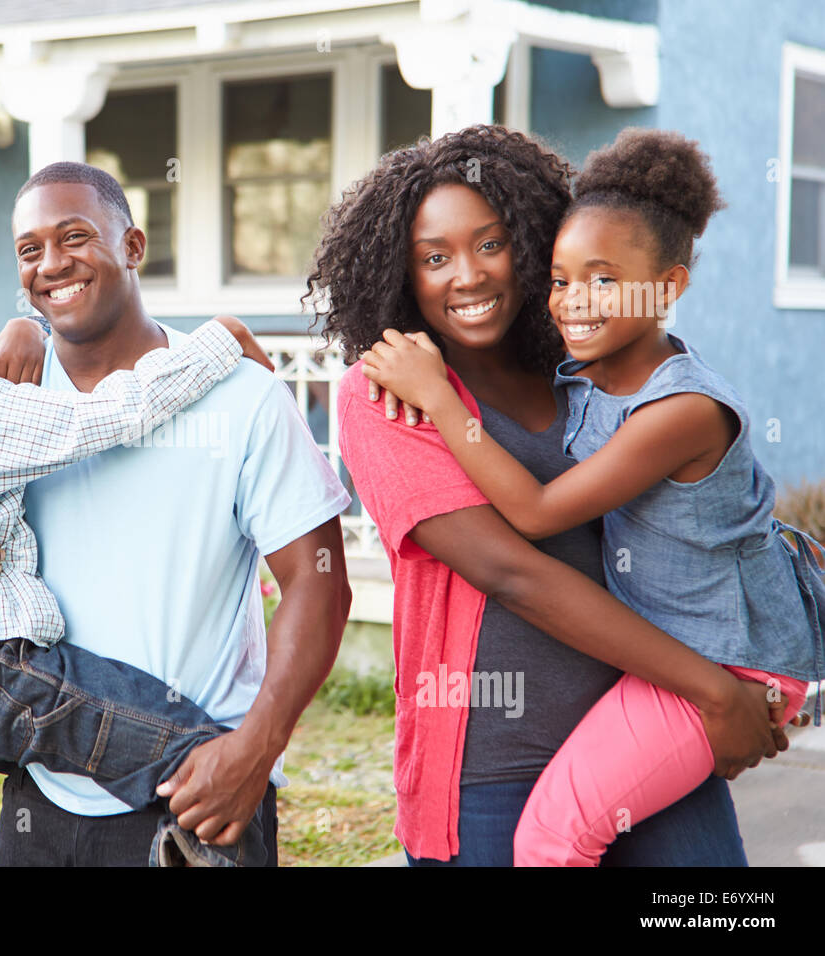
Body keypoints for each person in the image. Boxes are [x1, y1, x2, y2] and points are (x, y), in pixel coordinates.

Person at [311, 125, 794, 866]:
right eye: (434, 258)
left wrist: (725, 685)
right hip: (494, 773)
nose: (466, 276)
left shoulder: (589, 369)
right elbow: (512, 572)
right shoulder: (387, 396)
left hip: (643, 731)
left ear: (535, 243)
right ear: (400, 274)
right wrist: (719, 693)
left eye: (492, 243)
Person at [0, 163, 353, 866]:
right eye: (30, 250)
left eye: (76, 237)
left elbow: (320, 584)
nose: (52, 264)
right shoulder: (2, 392)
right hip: (46, 794)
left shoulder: (242, 395)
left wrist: (255, 751)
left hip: (203, 788)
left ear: (133, 246)